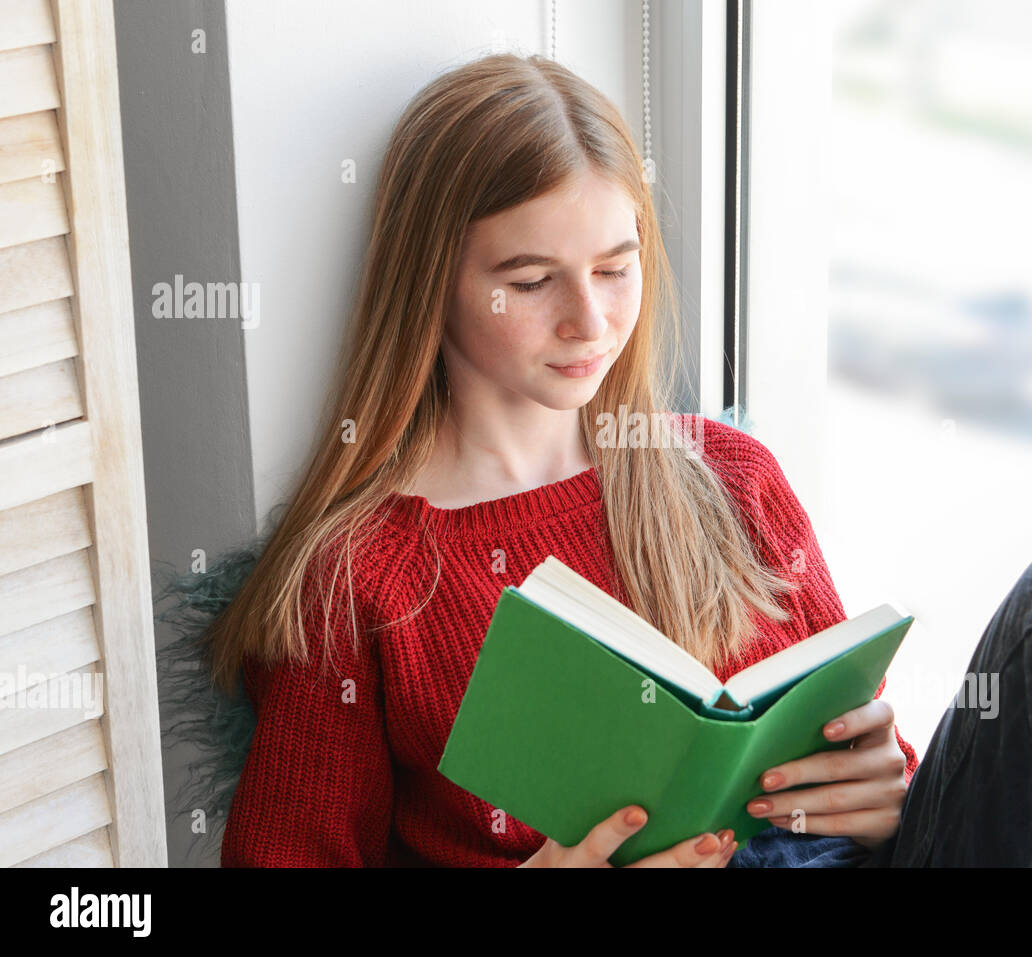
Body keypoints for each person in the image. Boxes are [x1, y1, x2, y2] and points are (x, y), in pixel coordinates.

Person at [210, 51, 915, 868]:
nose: (591, 320)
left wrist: (891, 787)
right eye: (535, 280)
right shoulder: (358, 578)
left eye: (616, 269)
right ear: (431, 282)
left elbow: (882, 762)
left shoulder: (732, 473)